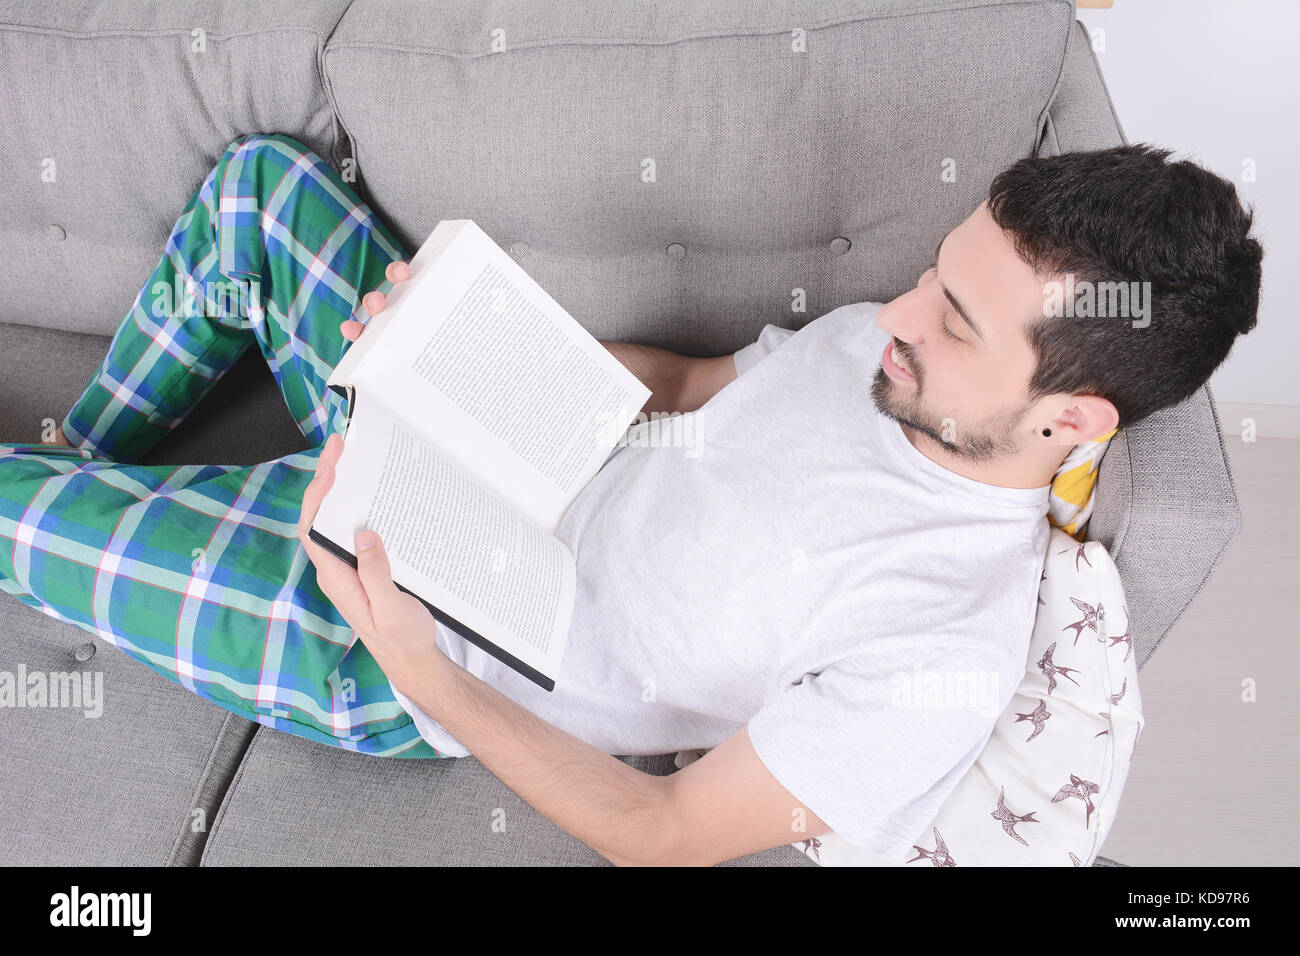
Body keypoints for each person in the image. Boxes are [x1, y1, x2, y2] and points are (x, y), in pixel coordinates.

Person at [0, 133, 1261, 865]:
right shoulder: (878, 361)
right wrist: (449, 361)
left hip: (394, 640)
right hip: (462, 457)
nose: (893, 313)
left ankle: (69, 506)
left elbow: (662, 829)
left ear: (1071, 418)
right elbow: (677, 384)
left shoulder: (939, 645)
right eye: (932, 275)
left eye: (953, 318)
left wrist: (419, 666)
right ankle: (99, 471)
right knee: (260, 184)